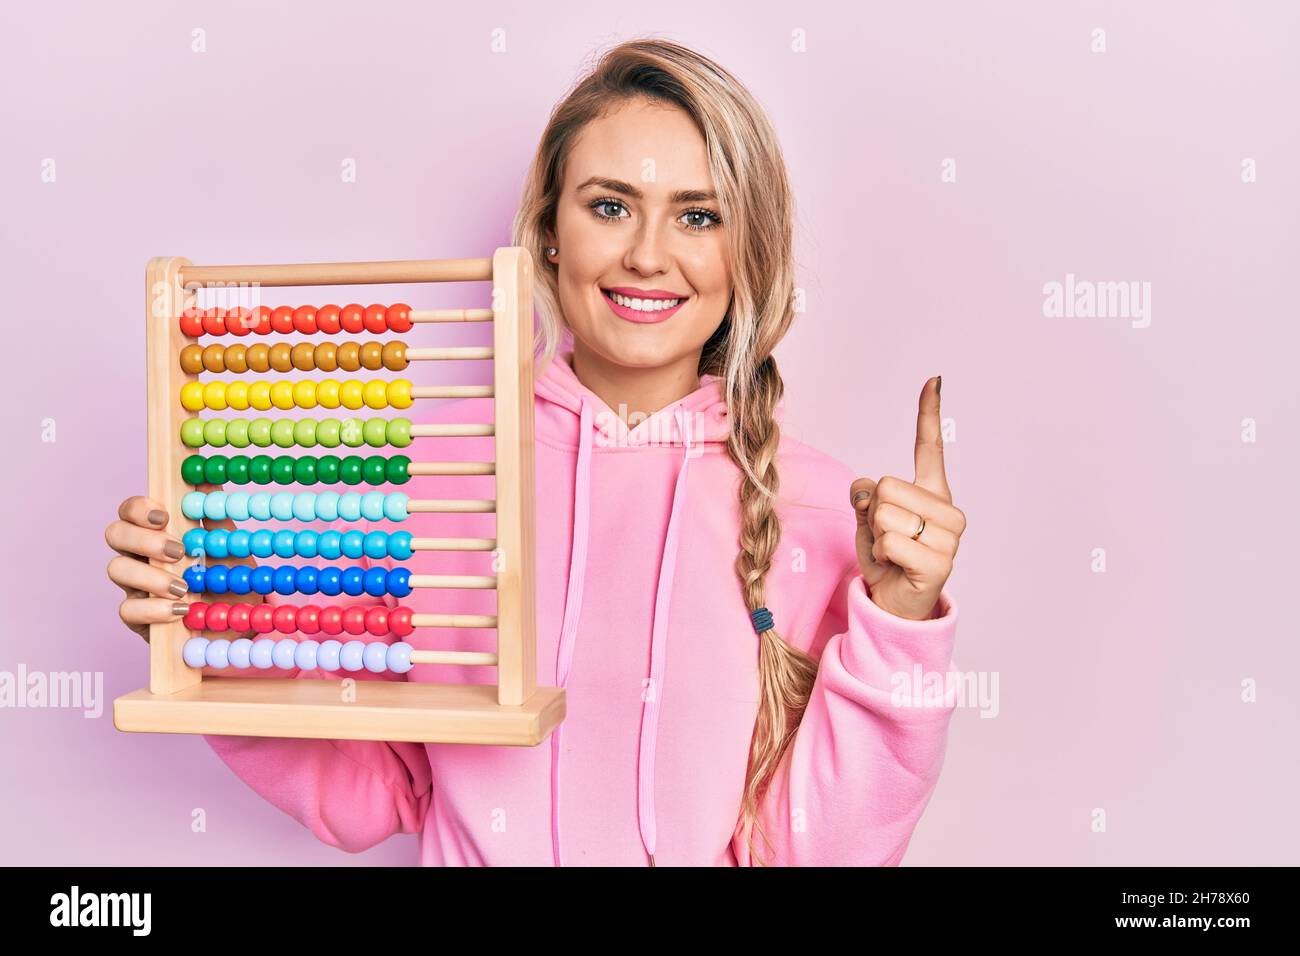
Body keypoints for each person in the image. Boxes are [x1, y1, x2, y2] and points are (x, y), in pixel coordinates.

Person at [104, 37, 966, 867]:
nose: (645, 255)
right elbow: (373, 793)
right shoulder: (430, 482)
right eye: (609, 205)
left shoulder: (817, 512)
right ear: (550, 232)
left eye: (697, 216)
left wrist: (899, 628)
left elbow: (822, 853)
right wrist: (207, 628)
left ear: (747, 253)